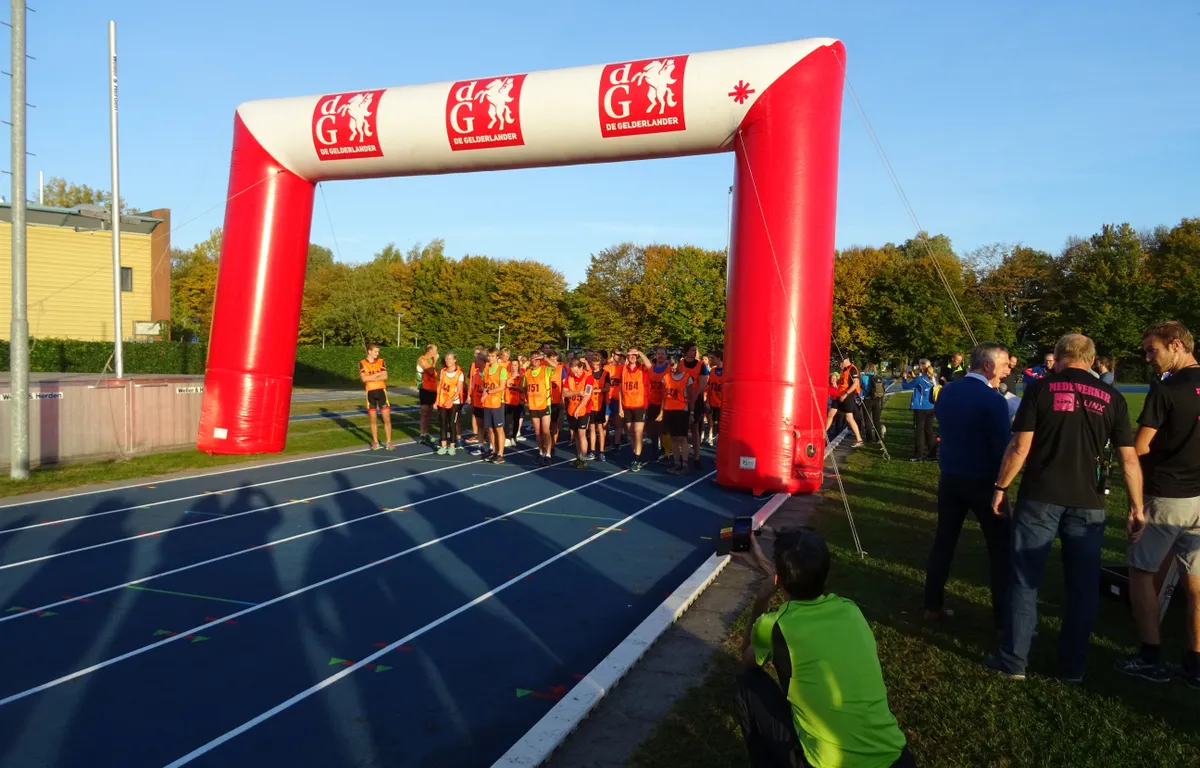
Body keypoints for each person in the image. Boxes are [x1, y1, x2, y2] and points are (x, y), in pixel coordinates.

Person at [987, 333, 1142, 682]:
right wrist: (1135, 506)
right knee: (1082, 586)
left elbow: (1019, 446)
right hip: (1089, 500)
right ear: (1091, 359)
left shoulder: (1041, 389)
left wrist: (1001, 487)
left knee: (1025, 579)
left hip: (1041, 494)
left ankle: (1014, 660)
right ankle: (1072, 666)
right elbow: (1129, 459)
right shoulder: (1113, 398)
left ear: (1058, 356)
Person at [734, 528, 914, 768]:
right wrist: (775, 571)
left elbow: (746, 658)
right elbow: (797, 581)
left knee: (747, 684)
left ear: (781, 578)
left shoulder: (774, 625)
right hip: (896, 760)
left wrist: (760, 601)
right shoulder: (851, 610)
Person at [1117, 321, 1200, 686]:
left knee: (1140, 572)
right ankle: (1196, 662)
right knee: (1195, 582)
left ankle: (1150, 655)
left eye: (1153, 350)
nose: (1149, 358)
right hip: (1198, 496)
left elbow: (1140, 448)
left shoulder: (1165, 391)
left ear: (1177, 345)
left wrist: (1136, 499)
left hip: (1166, 493)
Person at [924, 342, 1013, 629]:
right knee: (1000, 549)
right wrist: (1003, 488)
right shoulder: (994, 401)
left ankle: (932, 605)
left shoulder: (947, 391)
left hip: (950, 477)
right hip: (983, 481)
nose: (1005, 371)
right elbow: (1002, 448)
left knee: (944, 542)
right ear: (987, 366)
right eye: (1002, 365)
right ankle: (1004, 616)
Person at [657, 356, 694, 475]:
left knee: (682, 438)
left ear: (678, 364)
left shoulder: (687, 378)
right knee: (673, 437)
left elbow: (691, 397)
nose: (671, 369)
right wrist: (662, 412)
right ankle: (677, 463)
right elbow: (664, 396)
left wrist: (691, 412)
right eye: (670, 366)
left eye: (673, 366)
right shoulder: (666, 377)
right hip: (669, 410)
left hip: (681, 410)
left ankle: (685, 464)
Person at [619, 346, 652, 472]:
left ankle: (637, 459)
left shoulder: (642, 368)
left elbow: (650, 366)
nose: (632, 357)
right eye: (630, 355)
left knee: (638, 432)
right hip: (627, 405)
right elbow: (621, 389)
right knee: (630, 432)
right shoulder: (624, 370)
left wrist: (640, 352)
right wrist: (620, 407)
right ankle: (634, 453)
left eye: (634, 355)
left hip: (639, 405)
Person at [520, 351, 556, 466]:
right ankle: (541, 452)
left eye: (538, 359)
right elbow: (524, 387)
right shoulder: (528, 373)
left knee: (545, 431)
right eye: (533, 359)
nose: (536, 361)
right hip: (533, 405)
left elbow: (555, 366)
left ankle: (548, 454)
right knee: (537, 432)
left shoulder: (545, 369)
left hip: (545, 404)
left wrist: (545, 357)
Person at [680, 342, 711, 470]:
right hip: (681, 399)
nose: (694, 352)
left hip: (696, 399)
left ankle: (697, 457)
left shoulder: (701, 365)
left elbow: (702, 384)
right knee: (682, 430)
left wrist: (693, 399)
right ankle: (683, 455)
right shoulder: (680, 364)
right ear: (686, 352)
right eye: (692, 350)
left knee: (695, 429)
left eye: (695, 350)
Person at [358, 344, 393, 451]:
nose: (377, 354)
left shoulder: (381, 361)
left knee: (386, 418)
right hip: (370, 393)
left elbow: (385, 376)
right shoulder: (362, 363)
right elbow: (364, 379)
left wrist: (370, 377)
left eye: (378, 352)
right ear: (369, 351)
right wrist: (377, 375)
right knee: (373, 419)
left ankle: (389, 442)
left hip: (381, 392)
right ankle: (375, 442)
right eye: (375, 352)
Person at [902, 360, 937, 461]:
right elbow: (922, 384)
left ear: (922, 367)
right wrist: (914, 377)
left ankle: (918, 454)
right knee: (929, 431)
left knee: (919, 431)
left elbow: (905, 386)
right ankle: (932, 454)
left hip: (920, 407)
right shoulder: (932, 378)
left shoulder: (920, 379)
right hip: (931, 406)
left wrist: (904, 378)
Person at [563, 358, 595, 469]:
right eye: (573, 372)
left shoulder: (589, 378)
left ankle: (583, 458)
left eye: (577, 371)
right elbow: (564, 393)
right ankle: (579, 456)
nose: (575, 374)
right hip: (572, 408)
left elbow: (586, 396)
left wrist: (579, 408)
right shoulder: (569, 378)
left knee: (581, 433)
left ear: (581, 367)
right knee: (576, 434)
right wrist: (576, 392)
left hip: (584, 409)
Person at [480, 347, 509, 464]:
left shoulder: (502, 370)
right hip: (488, 403)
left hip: (497, 402)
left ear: (497, 357)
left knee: (499, 429)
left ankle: (500, 454)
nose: (490, 358)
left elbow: (502, 387)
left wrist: (488, 392)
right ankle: (494, 450)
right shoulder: (486, 370)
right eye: (489, 356)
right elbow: (483, 385)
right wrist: (484, 391)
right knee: (490, 429)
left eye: (492, 356)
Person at [827, 357, 864, 447]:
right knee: (831, 413)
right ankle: (823, 433)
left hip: (847, 396)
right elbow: (842, 382)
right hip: (839, 394)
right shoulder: (843, 369)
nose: (840, 364)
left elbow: (855, 384)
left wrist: (846, 394)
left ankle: (859, 439)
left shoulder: (853, 369)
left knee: (849, 417)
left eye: (841, 362)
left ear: (846, 360)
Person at [435, 353, 465, 456]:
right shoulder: (442, 372)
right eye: (446, 359)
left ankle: (452, 446)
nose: (448, 360)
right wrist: (436, 401)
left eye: (450, 359)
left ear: (455, 360)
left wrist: (451, 400)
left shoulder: (459, 373)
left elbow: (459, 389)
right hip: (443, 400)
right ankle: (443, 446)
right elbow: (439, 387)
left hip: (454, 401)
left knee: (452, 423)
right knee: (443, 423)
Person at [646, 347, 671, 461]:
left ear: (666, 356)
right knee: (652, 429)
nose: (660, 356)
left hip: (665, 403)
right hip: (652, 403)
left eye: (662, 354)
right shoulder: (651, 369)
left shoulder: (669, 370)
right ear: (656, 355)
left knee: (664, 429)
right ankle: (654, 450)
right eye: (658, 354)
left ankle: (667, 453)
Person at [416, 344, 440, 444]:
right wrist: (435, 361)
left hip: (432, 388)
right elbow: (430, 371)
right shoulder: (422, 359)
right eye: (436, 350)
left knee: (430, 412)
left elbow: (435, 374)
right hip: (424, 388)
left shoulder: (431, 361)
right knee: (424, 411)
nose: (437, 353)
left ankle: (426, 433)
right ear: (430, 351)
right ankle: (422, 434)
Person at [588, 353, 609, 461]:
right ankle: (592, 451)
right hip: (590, 405)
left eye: (597, 364)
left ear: (600, 364)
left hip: (600, 404)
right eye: (594, 364)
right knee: (591, 428)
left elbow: (607, 388)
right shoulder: (588, 373)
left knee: (600, 428)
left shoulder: (605, 373)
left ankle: (601, 451)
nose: (595, 366)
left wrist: (595, 390)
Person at [468, 350, 489, 457]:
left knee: (490, 427)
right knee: (480, 426)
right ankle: (480, 446)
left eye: (476, 360)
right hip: (477, 403)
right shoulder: (475, 374)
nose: (474, 362)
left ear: (482, 361)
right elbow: (472, 388)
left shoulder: (488, 373)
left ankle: (493, 448)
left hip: (487, 404)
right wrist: (471, 401)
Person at [859, 362, 886, 443]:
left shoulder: (864, 377)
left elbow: (860, 387)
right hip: (877, 400)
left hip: (867, 399)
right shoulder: (878, 377)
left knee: (867, 420)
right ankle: (878, 438)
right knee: (876, 420)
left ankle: (869, 438)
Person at [502, 349, 523, 448]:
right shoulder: (507, 374)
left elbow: (523, 389)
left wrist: (514, 386)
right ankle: (507, 438)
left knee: (516, 420)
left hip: (518, 401)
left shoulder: (521, 376)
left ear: (518, 366)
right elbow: (504, 384)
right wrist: (512, 378)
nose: (513, 367)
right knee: (507, 420)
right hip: (508, 400)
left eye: (515, 365)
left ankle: (513, 437)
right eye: (512, 365)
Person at [605, 351, 626, 449]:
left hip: (618, 398)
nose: (619, 357)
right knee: (604, 422)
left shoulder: (623, 368)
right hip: (607, 398)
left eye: (621, 355)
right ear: (613, 355)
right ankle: (606, 438)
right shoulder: (606, 367)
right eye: (617, 355)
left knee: (617, 422)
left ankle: (617, 442)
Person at [705, 350, 724, 447]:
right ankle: (711, 437)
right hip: (712, 402)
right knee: (711, 422)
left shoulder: (727, 371)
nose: (710, 360)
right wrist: (707, 401)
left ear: (719, 358)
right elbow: (709, 388)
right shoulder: (712, 371)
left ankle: (719, 442)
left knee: (719, 425)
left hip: (721, 403)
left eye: (712, 358)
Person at [548, 350, 566, 444]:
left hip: (556, 400)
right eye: (552, 359)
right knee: (546, 424)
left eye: (555, 360)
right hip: (545, 400)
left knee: (554, 423)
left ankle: (553, 444)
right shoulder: (544, 368)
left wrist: (562, 399)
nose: (554, 362)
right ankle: (546, 443)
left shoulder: (561, 369)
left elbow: (564, 385)